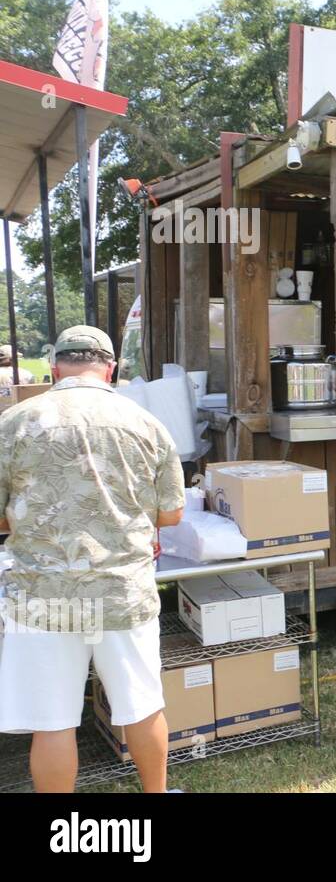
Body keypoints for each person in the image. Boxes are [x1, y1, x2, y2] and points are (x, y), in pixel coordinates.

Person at [0, 326, 186, 793]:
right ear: (110, 368)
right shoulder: (145, 423)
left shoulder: (14, 423)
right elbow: (172, 512)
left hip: (42, 597)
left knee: (53, 720)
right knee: (143, 705)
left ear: (56, 367)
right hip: (122, 590)